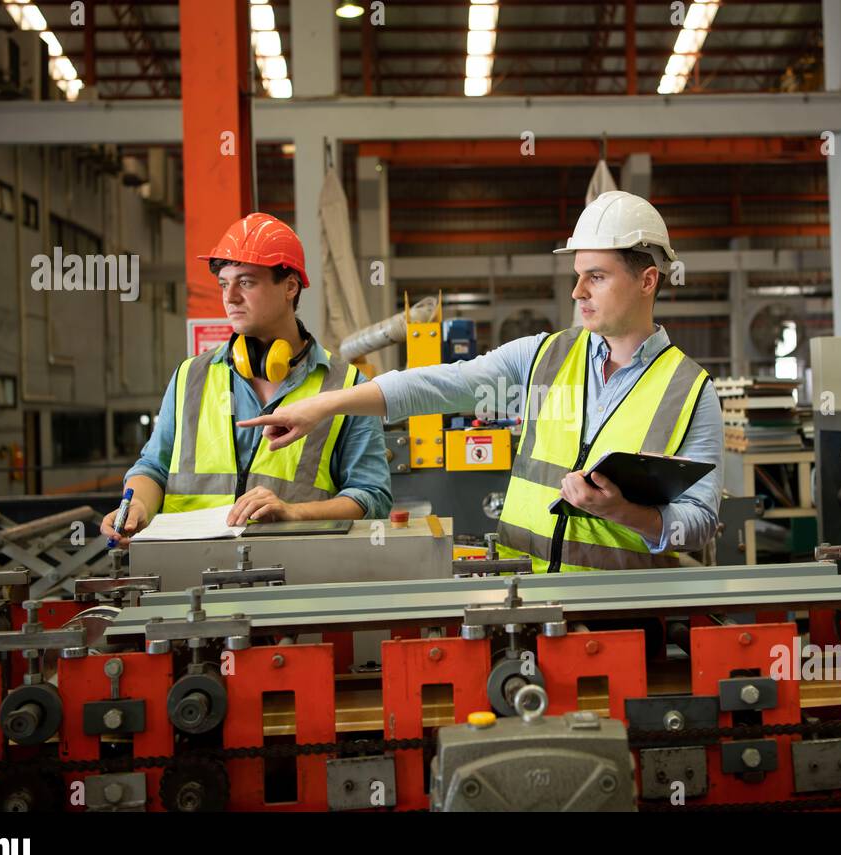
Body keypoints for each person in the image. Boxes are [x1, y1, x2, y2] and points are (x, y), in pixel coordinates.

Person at [239, 192, 723, 573]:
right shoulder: (544, 356)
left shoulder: (690, 391)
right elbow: (436, 384)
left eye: (596, 276)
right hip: (527, 606)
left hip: (625, 616)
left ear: (648, 281)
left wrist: (622, 512)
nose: (577, 291)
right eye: (577, 276)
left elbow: (699, 525)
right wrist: (325, 405)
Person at [101, 213, 391, 547]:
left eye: (246, 282)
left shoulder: (347, 386)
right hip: (187, 570)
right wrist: (137, 505)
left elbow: (372, 497)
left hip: (295, 574)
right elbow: (154, 467)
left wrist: (294, 513)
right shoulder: (190, 376)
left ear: (290, 286)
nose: (230, 297)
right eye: (225, 283)